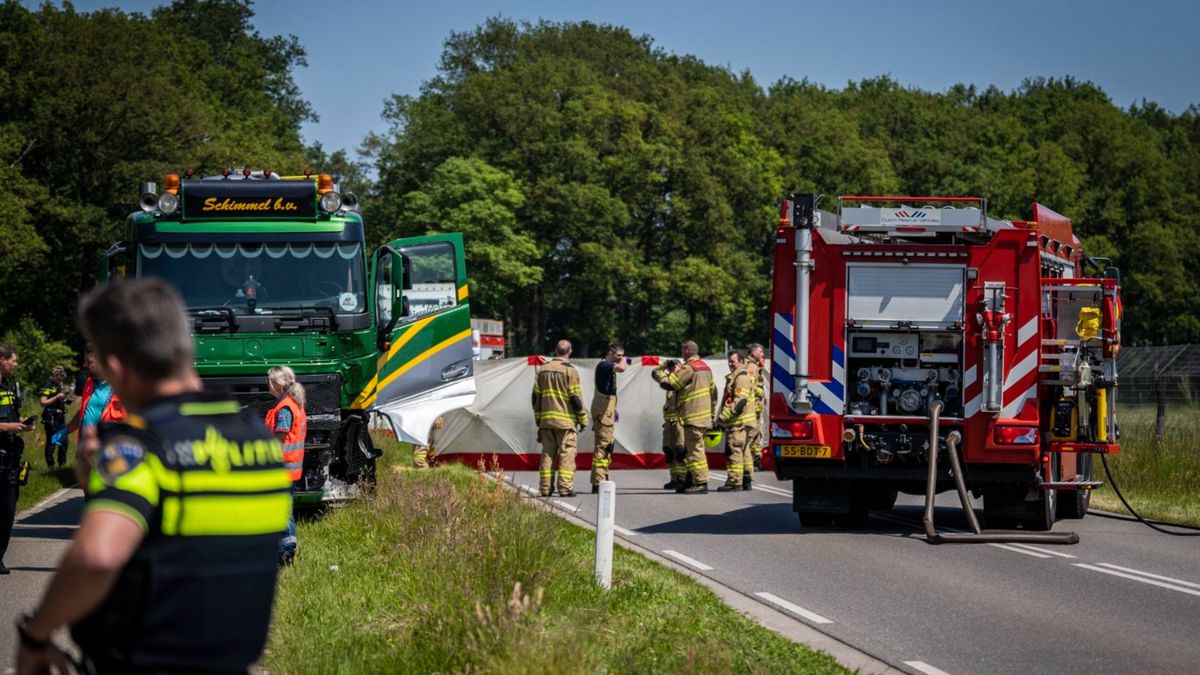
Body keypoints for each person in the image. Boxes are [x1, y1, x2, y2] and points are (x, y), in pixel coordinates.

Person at [16, 279, 291, 675]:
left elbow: (98, 556)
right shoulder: (258, 441)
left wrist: (36, 635)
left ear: (115, 367)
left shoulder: (141, 445)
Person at [532, 340, 588, 497]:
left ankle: (545, 488)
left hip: (546, 422)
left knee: (547, 455)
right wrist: (583, 418)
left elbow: (535, 397)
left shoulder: (542, 369)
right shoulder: (570, 371)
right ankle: (564, 488)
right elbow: (575, 398)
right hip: (565, 423)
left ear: (555, 351)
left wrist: (538, 418)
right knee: (566, 455)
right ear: (570, 351)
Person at [659, 341, 717, 494]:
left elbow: (671, 383)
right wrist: (711, 414)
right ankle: (691, 480)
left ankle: (701, 483)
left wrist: (660, 374)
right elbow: (714, 392)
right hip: (702, 417)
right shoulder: (706, 367)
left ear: (686, 351)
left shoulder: (689, 368)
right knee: (692, 449)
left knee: (695, 450)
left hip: (692, 416)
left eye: (682, 350)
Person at [265, 365, 307, 566]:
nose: (267, 385)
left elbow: (280, 437)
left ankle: (286, 551)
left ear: (277, 384)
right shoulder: (293, 404)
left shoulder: (285, 408)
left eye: (269, 381)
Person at [0, 343, 34, 575]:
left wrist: (21, 422)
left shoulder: (11, 386)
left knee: (8, 509)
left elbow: (11, 414)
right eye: (13, 360)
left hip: (10, 457)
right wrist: (9, 427)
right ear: (1, 360)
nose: (16, 364)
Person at [589, 343, 627, 492]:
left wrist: (613, 408)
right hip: (604, 412)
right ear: (610, 352)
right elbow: (622, 368)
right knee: (604, 446)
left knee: (607, 445)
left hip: (607, 410)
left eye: (622, 355)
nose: (620, 358)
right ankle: (599, 481)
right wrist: (625, 359)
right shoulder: (604, 365)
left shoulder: (607, 367)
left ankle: (601, 477)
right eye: (619, 355)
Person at [717, 351, 756, 492]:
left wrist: (723, 417)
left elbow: (740, 402)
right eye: (729, 361)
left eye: (733, 361)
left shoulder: (741, 377)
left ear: (741, 361)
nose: (730, 364)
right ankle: (746, 479)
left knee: (734, 450)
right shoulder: (738, 376)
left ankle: (734, 482)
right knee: (744, 451)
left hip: (739, 422)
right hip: (745, 422)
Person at [651, 360, 686, 490]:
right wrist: (665, 364)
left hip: (680, 421)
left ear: (680, 367)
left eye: (674, 367)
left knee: (680, 450)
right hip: (668, 421)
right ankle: (674, 478)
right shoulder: (668, 380)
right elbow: (655, 372)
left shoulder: (685, 378)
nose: (671, 369)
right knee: (669, 451)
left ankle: (682, 479)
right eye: (670, 368)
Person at [38, 366, 71, 468]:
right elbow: (43, 402)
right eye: (59, 378)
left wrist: (65, 401)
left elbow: (57, 398)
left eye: (62, 378)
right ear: (55, 376)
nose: (61, 380)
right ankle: (51, 465)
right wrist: (57, 397)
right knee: (52, 442)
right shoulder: (47, 385)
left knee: (64, 440)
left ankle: (62, 464)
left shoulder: (59, 385)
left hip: (60, 417)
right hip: (51, 418)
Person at [745, 342, 767, 473]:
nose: (762, 354)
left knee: (756, 434)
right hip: (752, 408)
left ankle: (756, 460)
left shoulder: (755, 366)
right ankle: (752, 461)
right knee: (752, 433)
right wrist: (761, 393)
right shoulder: (751, 367)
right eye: (760, 352)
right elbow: (750, 386)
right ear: (753, 352)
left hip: (756, 408)